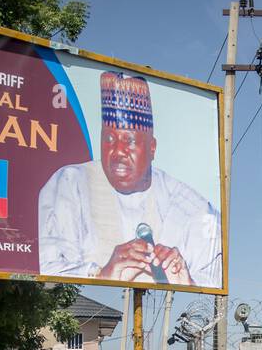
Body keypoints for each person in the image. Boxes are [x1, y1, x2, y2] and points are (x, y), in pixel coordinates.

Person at [38, 72, 222, 286]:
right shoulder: (70, 183)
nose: (118, 152)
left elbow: (214, 276)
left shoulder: (192, 208)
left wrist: (187, 281)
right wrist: (101, 274)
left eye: (130, 141)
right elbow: (43, 265)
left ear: (152, 148)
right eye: (109, 138)